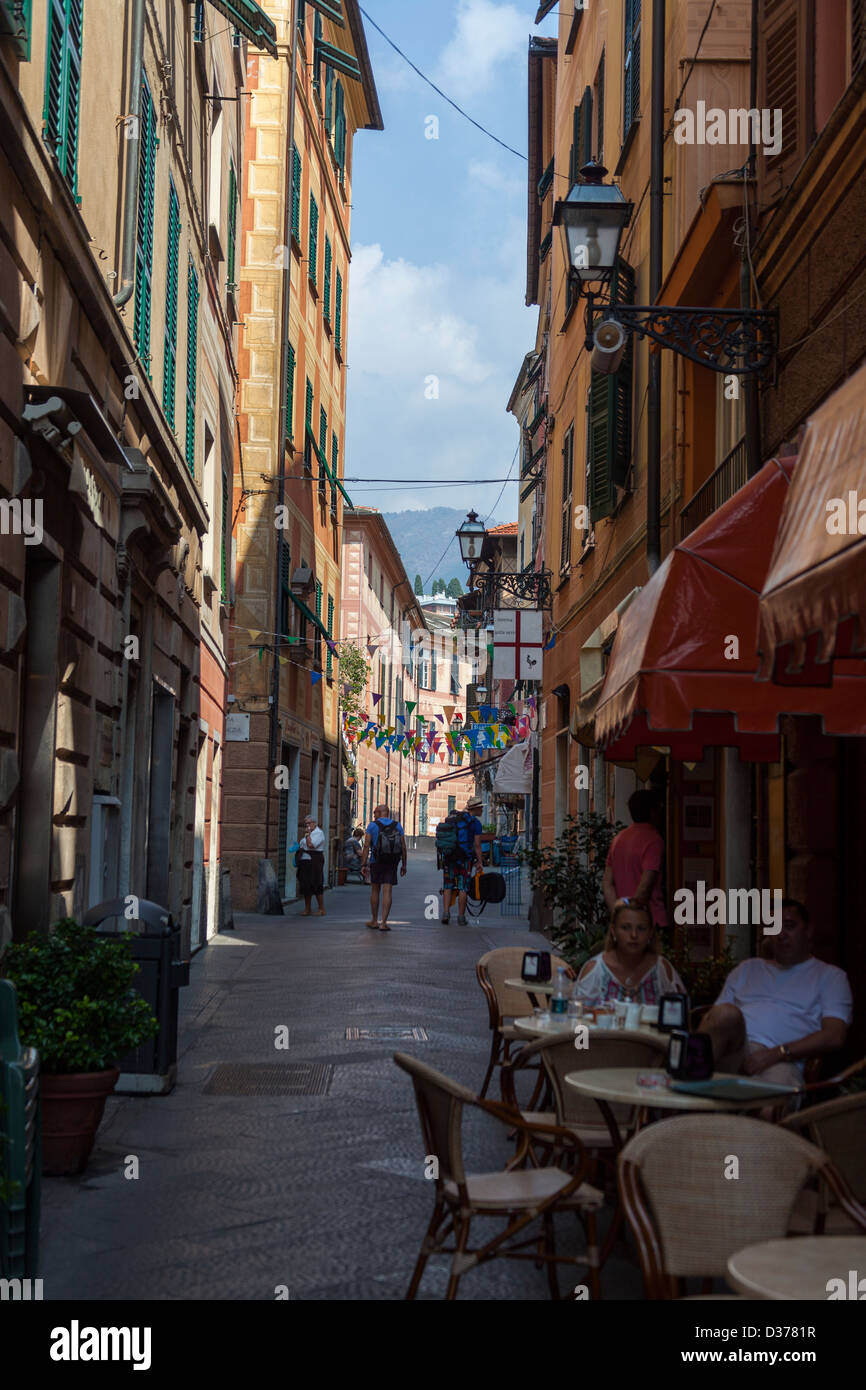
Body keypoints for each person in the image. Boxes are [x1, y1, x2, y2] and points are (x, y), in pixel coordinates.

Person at [697, 899, 852, 1086]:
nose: (781, 934)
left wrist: (777, 1053)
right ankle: (682, 1086)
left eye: (789, 926)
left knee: (771, 1106)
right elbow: (714, 1021)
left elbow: (834, 1035)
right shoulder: (748, 968)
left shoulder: (830, 976)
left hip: (783, 1060)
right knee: (725, 1013)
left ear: (808, 931)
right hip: (733, 1052)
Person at [573, 898, 686, 1007]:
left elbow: (680, 1016)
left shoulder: (662, 969)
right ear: (613, 931)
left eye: (641, 928)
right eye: (626, 928)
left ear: (650, 933)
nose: (634, 935)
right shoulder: (595, 970)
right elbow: (575, 1016)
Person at [603, 789, 668, 928]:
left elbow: (607, 883)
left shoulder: (618, 839)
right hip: (649, 919)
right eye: (660, 809)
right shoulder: (653, 840)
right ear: (653, 811)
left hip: (624, 922)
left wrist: (618, 913)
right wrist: (633, 912)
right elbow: (645, 886)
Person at [360, 803, 406, 932]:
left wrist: (363, 864)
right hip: (392, 862)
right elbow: (403, 846)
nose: (374, 815)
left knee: (375, 890)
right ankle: (384, 923)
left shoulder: (372, 825)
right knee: (388, 891)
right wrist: (404, 865)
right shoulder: (397, 825)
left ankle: (374, 920)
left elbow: (366, 846)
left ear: (380, 813)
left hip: (376, 861)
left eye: (375, 813)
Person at [439, 799, 483, 926]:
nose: (482, 810)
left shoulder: (453, 819)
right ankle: (461, 917)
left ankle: (446, 913)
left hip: (449, 857)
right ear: (475, 808)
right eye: (481, 807)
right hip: (465, 859)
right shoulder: (475, 823)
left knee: (448, 886)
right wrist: (480, 862)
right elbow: (478, 845)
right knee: (463, 887)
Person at [296, 814, 326, 917]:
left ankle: (321, 909)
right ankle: (307, 909)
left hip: (315, 861)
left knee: (317, 882)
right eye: (306, 823)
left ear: (315, 823)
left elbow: (311, 845)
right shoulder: (308, 834)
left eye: (309, 823)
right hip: (305, 861)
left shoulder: (318, 833)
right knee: (305, 884)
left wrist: (308, 834)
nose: (307, 825)